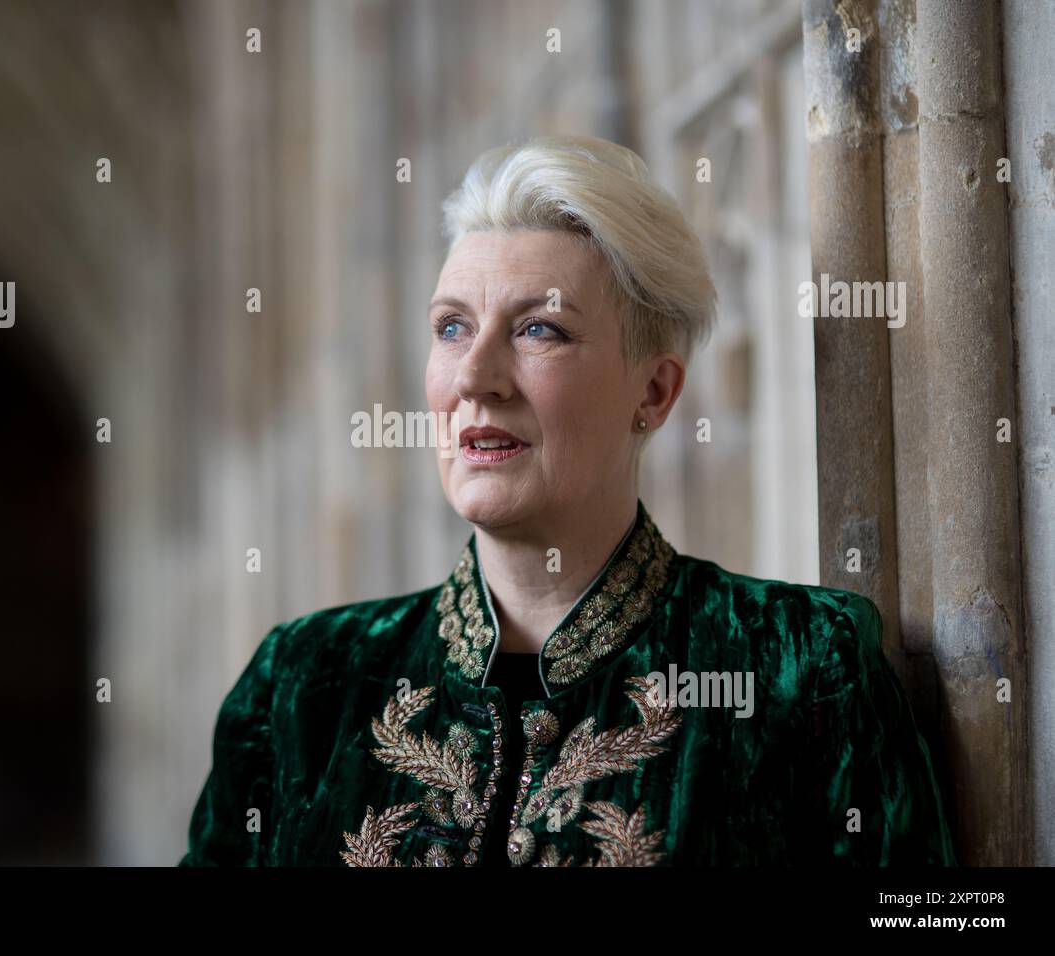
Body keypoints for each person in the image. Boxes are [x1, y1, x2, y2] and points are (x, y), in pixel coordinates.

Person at [179, 135, 956, 867]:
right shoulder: (300, 688)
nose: (475, 376)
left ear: (652, 390)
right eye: (452, 327)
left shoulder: (800, 667)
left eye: (539, 329)